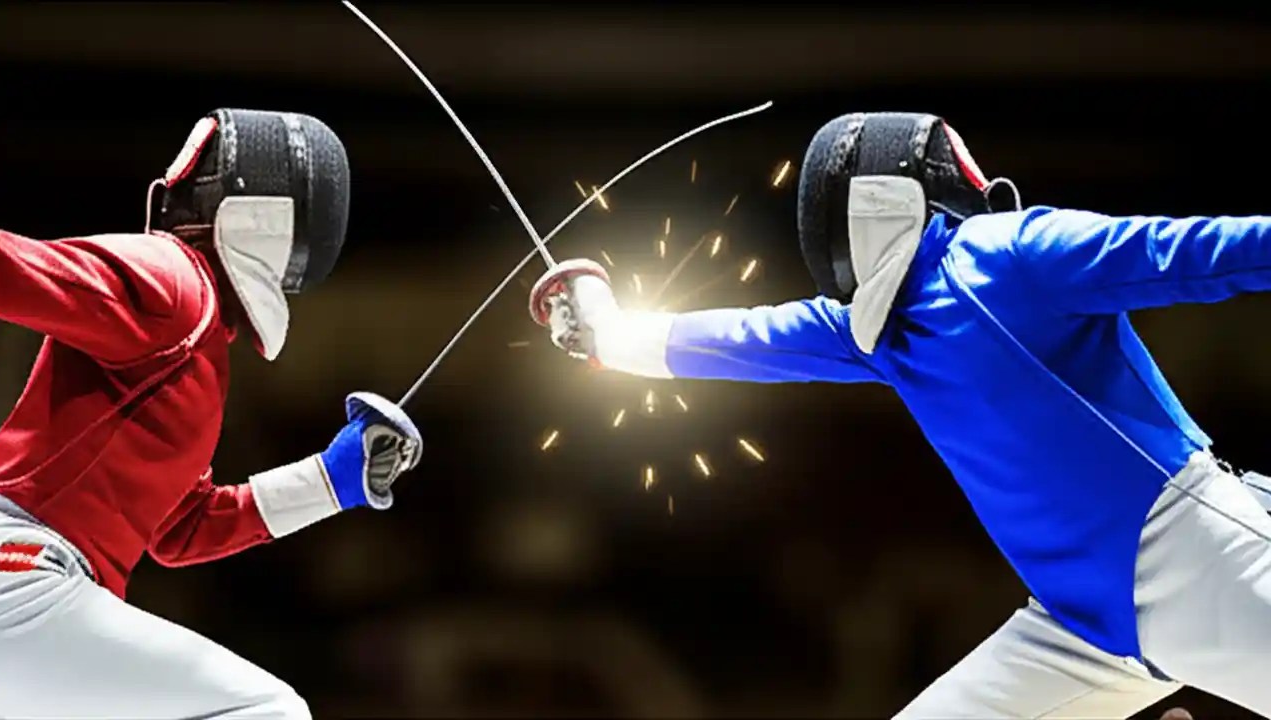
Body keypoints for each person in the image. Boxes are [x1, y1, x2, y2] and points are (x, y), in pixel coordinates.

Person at [529, 111, 1271, 718]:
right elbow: (737, 339)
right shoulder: (873, 331)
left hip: (1196, 554)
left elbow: (1197, 252)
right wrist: (603, 330)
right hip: (1079, 626)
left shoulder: (1015, 252)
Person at [0, 108, 421, 719]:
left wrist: (331, 480)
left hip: (29, 603)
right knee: (267, 711)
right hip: (16, 578)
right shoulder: (172, 283)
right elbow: (7, 268)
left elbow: (180, 531)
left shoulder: (196, 346)